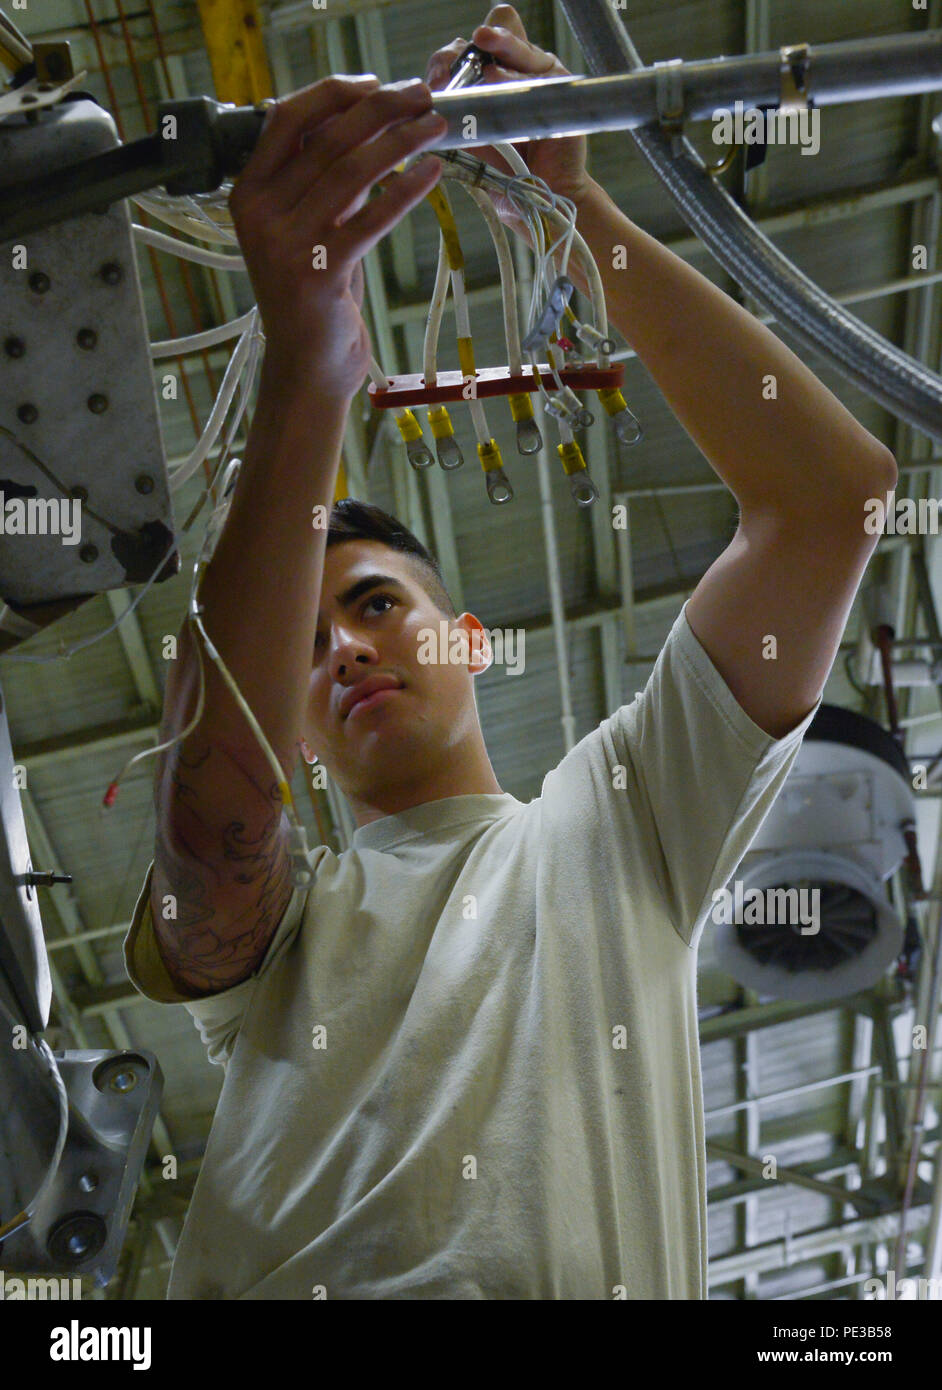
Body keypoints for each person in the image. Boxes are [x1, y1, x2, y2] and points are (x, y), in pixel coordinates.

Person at [123, 6, 897, 1298]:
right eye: (305, 644)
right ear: (292, 724)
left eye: (374, 603)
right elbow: (216, 830)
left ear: (470, 640)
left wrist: (575, 210)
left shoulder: (615, 823)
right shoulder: (283, 938)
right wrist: (311, 353)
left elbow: (828, 499)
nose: (344, 650)